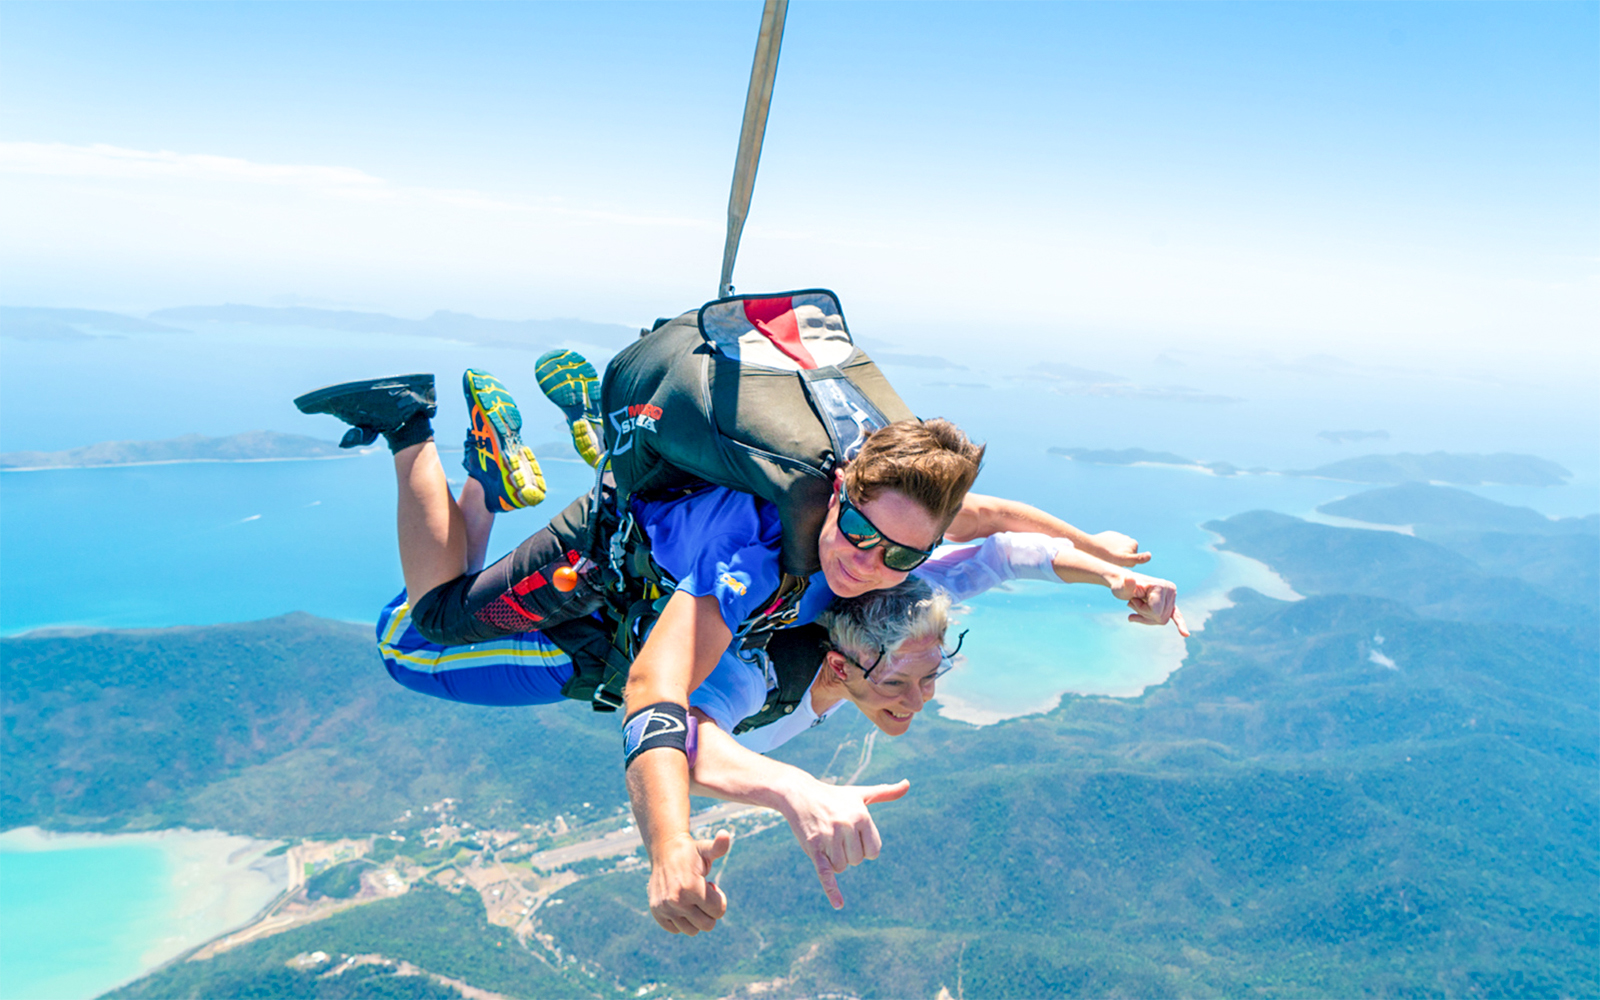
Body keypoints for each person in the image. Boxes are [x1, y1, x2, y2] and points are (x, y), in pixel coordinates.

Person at [295, 363, 1182, 935]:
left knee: (442, 604)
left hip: (650, 564)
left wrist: (1106, 564)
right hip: (594, 598)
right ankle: (410, 424)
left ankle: (500, 474)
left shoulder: (891, 554)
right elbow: (658, 694)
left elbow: (1001, 536)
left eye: (901, 556)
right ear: (840, 487)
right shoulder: (758, 568)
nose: (868, 562)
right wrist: (674, 843)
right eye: (860, 532)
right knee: (418, 631)